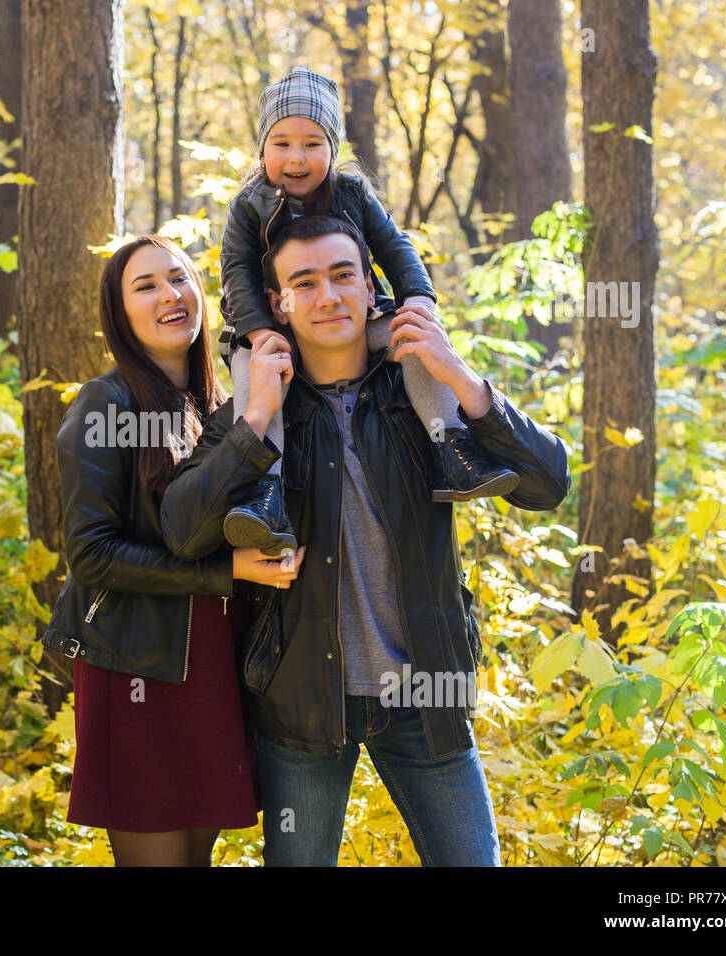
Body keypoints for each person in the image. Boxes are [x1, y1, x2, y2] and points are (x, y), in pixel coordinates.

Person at [161, 215, 570, 866]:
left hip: (426, 695)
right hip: (301, 705)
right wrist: (256, 416)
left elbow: (548, 485)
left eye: (343, 274)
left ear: (371, 286)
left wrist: (461, 375)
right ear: (279, 304)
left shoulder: (422, 393)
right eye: (305, 281)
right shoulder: (256, 409)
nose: (327, 296)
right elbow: (181, 530)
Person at [42, 235, 307, 867]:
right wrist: (227, 571)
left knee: (195, 858)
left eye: (179, 277)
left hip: (213, 663)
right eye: (146, 286)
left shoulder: (218, 406)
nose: (170, 295)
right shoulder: (105, 403)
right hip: (136, 664)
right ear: (120, 314)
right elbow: (90, 555)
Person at [218, 64, 518, 557]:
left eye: (313, 143)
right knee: (258, 377)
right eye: (282, 143)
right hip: (275, 328)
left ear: (332, 150)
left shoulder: (353, 194)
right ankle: (264, 490)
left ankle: (452, 449)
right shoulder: (248, 206)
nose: (297, 157)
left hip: (356, 323)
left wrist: (418, 298)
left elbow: (395, 248)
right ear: (263, 149)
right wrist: (254, 330)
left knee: (413, 337)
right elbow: (237, 273)